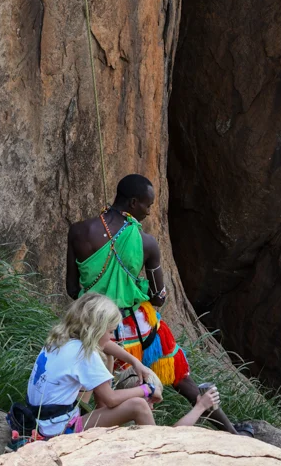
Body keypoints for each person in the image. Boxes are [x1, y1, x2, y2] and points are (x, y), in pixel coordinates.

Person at [66, 174, 249, 436]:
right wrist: (134, 287)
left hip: (90, 324)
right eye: (147, 205)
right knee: (178, 373)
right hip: (136, 326)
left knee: (85, 383)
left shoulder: (79, 231)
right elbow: (158, 296)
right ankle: (231, 431)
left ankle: (71, 429)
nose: (150, 212)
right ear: (132, 202)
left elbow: (72, 290)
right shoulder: (146, 242)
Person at [24, 292, 220, 439]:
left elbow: (106, 347)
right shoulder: (84, 354)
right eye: (110, 331)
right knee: (138, 406)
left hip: (39, 419)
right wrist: (146, 390)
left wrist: (135, 361)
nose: (112, 337)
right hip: (55, 431)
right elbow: (110, 400)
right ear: (96, 329)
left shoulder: (60, 337)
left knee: (108, 360)